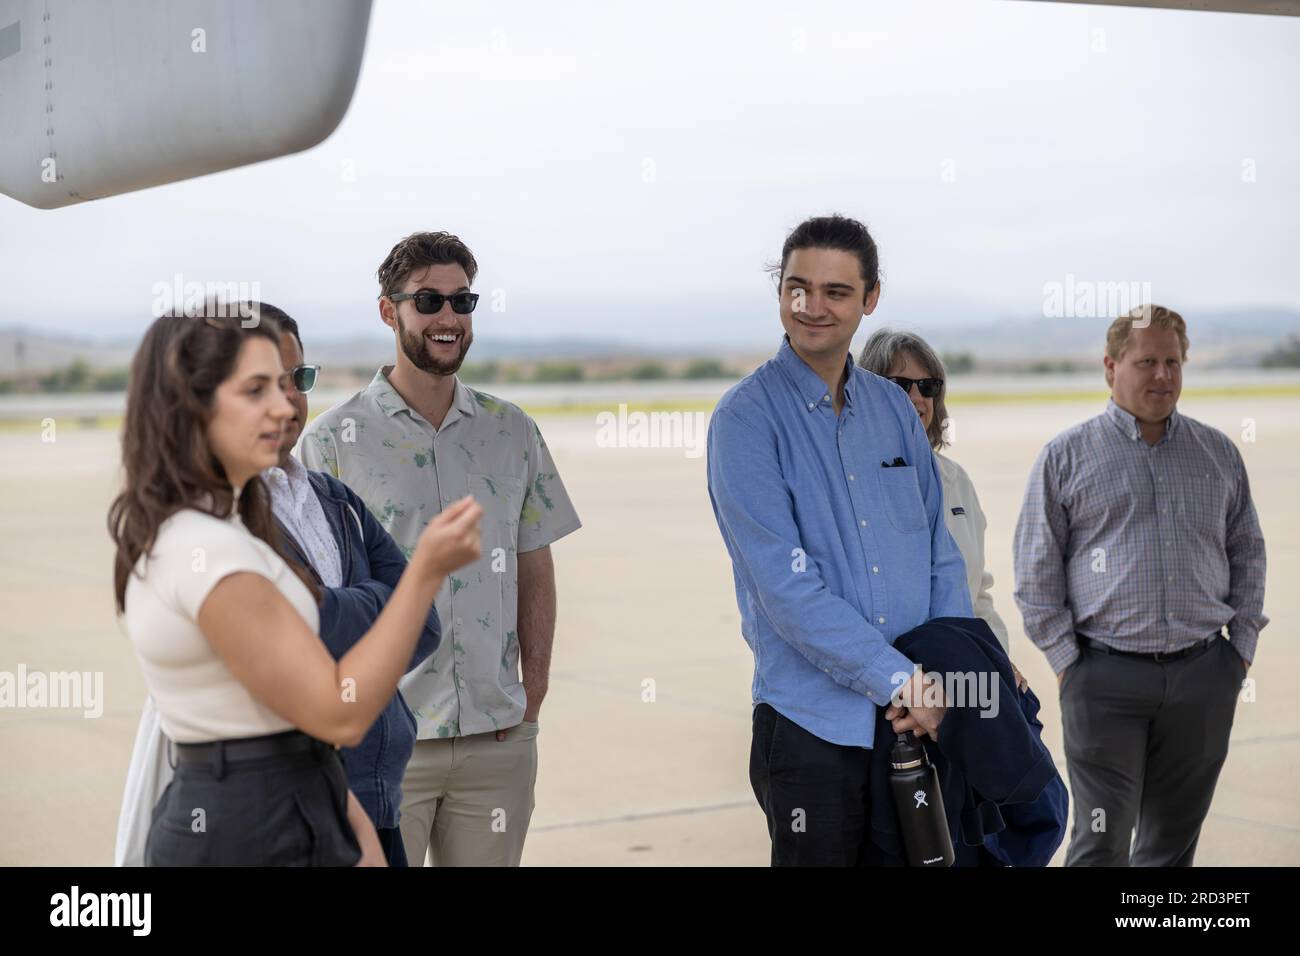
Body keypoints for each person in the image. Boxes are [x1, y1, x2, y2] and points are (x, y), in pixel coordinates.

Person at [109, 307, 482, 866]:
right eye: (256, 390)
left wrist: (357, 838)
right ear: (191, 403)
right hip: (249, 832)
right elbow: (337, 713)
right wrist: (424, 573)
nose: (285, 408)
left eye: (289, 385)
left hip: (296, 810)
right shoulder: (209, 551)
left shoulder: (223, 528)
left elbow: (308, 740)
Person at [300, 231, 581, 867]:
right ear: (388, 310)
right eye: (428, 302)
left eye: (462, 302)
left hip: (497, 738)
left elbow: (534, 561)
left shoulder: (513, 431)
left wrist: (531, 688)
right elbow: (320, 598)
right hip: (384, 741)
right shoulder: (332, 441)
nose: (448, 318)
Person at [706, 214, 973, 866]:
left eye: (836, 291)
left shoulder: (892, 410)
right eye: (798, 288)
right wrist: (902, 681)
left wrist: (943, 672)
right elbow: (785, 589)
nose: (812, 306)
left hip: (917, 720)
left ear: (870, 298)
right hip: (811, 731)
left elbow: (941, 551)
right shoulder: (745, 421)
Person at [1013, 304, 1266, 867]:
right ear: (1110, 366)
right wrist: (1070, 664)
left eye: (1173, 362)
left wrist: (1238, 654)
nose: (1162, 376)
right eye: (1146, 361)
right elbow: (1035, 575)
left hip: (1205, 676)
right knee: (1101, 841)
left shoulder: (1218, 453)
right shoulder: (1065, 457)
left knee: (1172, 846)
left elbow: (1249, 553)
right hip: (1104, 680)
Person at [857, 329, 1015, 662]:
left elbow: (978, 594)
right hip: (892, 687)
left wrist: (998, 663)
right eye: (900, 385)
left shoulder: (956, 480)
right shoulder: (851, 483)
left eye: (928, 387)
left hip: (963, 676)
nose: (917, 398)